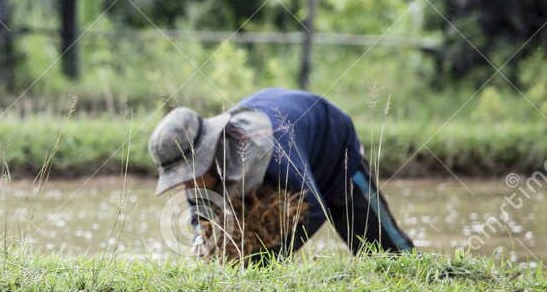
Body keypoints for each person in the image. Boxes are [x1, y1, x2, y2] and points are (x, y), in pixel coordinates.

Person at [149, 87, 415, 258]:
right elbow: (203, 221)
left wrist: (264, 262)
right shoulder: (199, 179)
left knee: (388, 255)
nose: (188, 187)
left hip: (333, 153)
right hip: (277, 161)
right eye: (182, 179)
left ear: (209, 152)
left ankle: (430, 284)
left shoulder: (270, 150)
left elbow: (312, 208)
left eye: (191, 174)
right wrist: (204, 246)